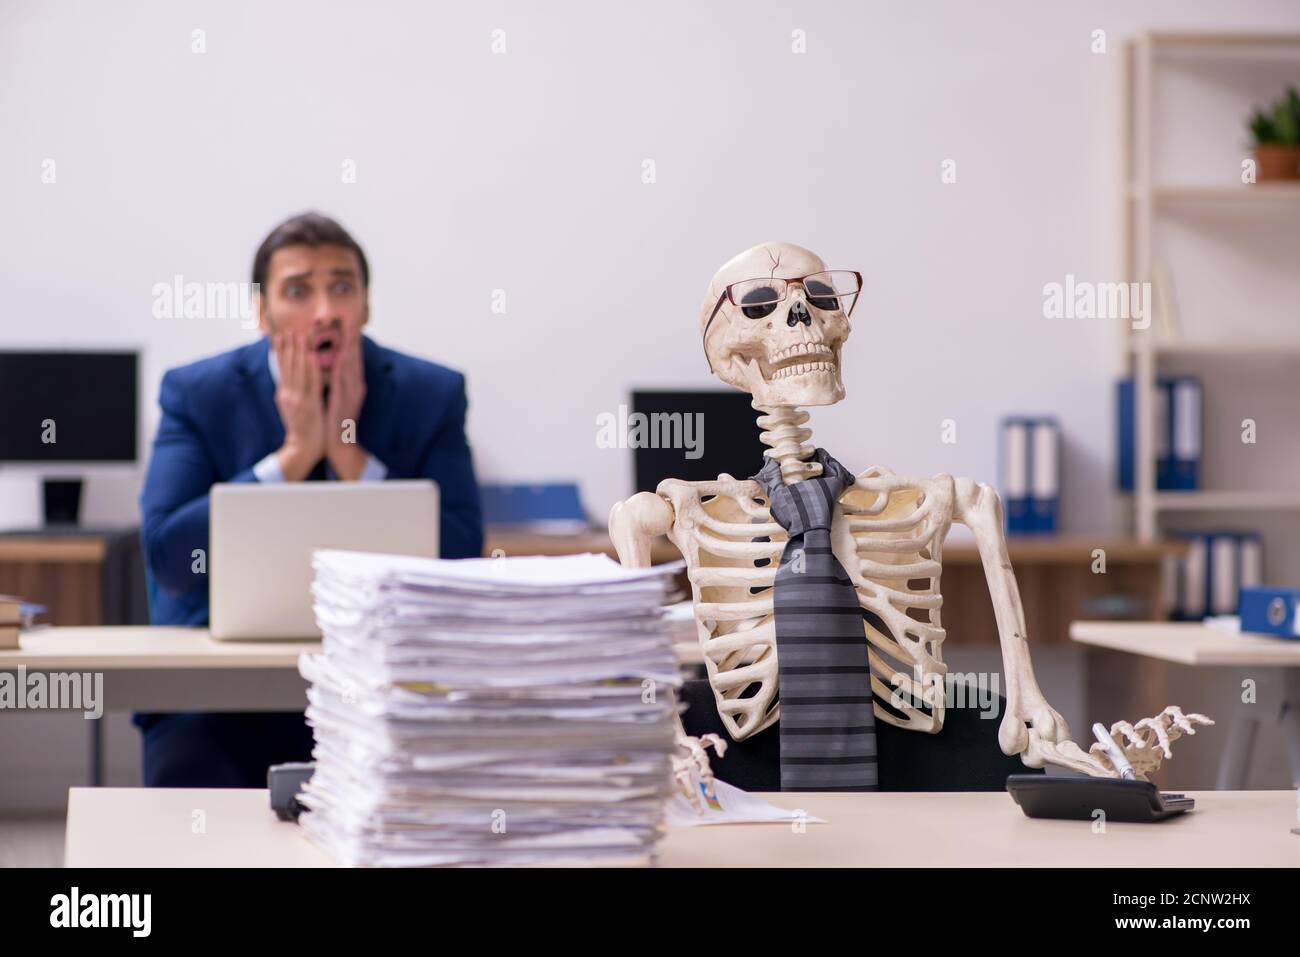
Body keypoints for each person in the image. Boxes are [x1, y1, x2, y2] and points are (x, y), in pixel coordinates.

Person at [137, 211, 483, 787]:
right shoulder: (198, 393)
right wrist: (294, 453)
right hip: (218, 686)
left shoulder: (431, 393)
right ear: (262, 310)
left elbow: (462, 553)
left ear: (366, 305)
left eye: (341, 287)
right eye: (298, 291)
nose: (324, 311)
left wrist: (350, 455)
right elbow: (169, 557)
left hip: (380, 678)